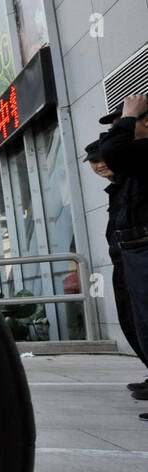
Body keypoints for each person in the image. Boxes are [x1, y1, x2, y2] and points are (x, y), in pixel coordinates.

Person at [97, 93, 148, 417]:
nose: (120, 127)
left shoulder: (138, 155)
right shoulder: (134, 162)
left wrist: (128, 118)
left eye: (128, 121)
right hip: (132, 251)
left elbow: (113, 151)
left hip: (142, 248)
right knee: (139, 322)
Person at [85, 140, 147, 391]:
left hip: (137, 259)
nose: (98, 165)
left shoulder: (136, 179)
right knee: (132, 321)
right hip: (122, 261)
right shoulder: (116, 188)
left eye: (102, 159)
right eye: (93, 162)